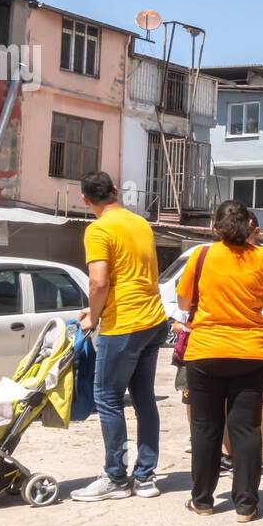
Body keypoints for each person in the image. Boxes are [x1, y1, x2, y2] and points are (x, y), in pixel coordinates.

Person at [71, 171, 170, 503]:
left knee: (108, 398)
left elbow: (99, 282)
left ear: (85, 200)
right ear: (115, 191)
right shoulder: (140, 223)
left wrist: (93, 316)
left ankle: (115, 476)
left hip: (124, 322)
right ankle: (145, 477)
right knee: (144, 398)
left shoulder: (98, 229)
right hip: (153, 319)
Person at [177, 199, 263, 520]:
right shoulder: (262, 257)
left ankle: (203, 500)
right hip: (251, 351)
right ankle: (246, 504)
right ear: (250, 225)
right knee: (245, 428)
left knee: (205, 427)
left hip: (206, 351)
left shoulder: (202, 256)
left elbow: (183, 299)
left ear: (214, 226)